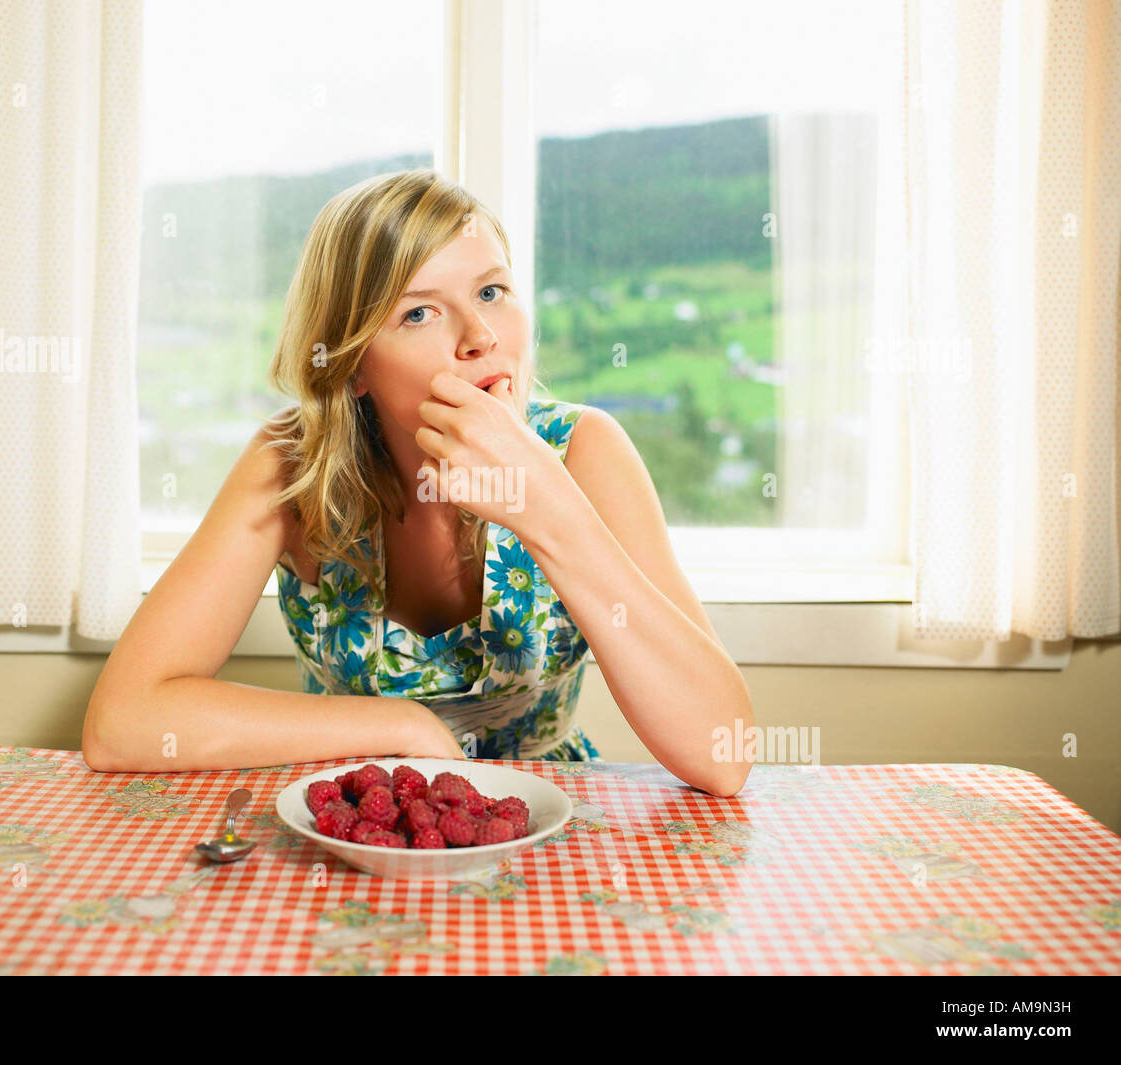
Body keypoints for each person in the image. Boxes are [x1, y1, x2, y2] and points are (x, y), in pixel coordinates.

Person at [83, 168, 753, 795]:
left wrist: (548, 505)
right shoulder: (291, 464)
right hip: (360, 830)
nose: (481, 336)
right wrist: (398, 727)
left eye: (491, 291)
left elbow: (724, 755)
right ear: (353, 367)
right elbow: (122, 721)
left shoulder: (586, 450)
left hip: (549, 835)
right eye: (419, 313)